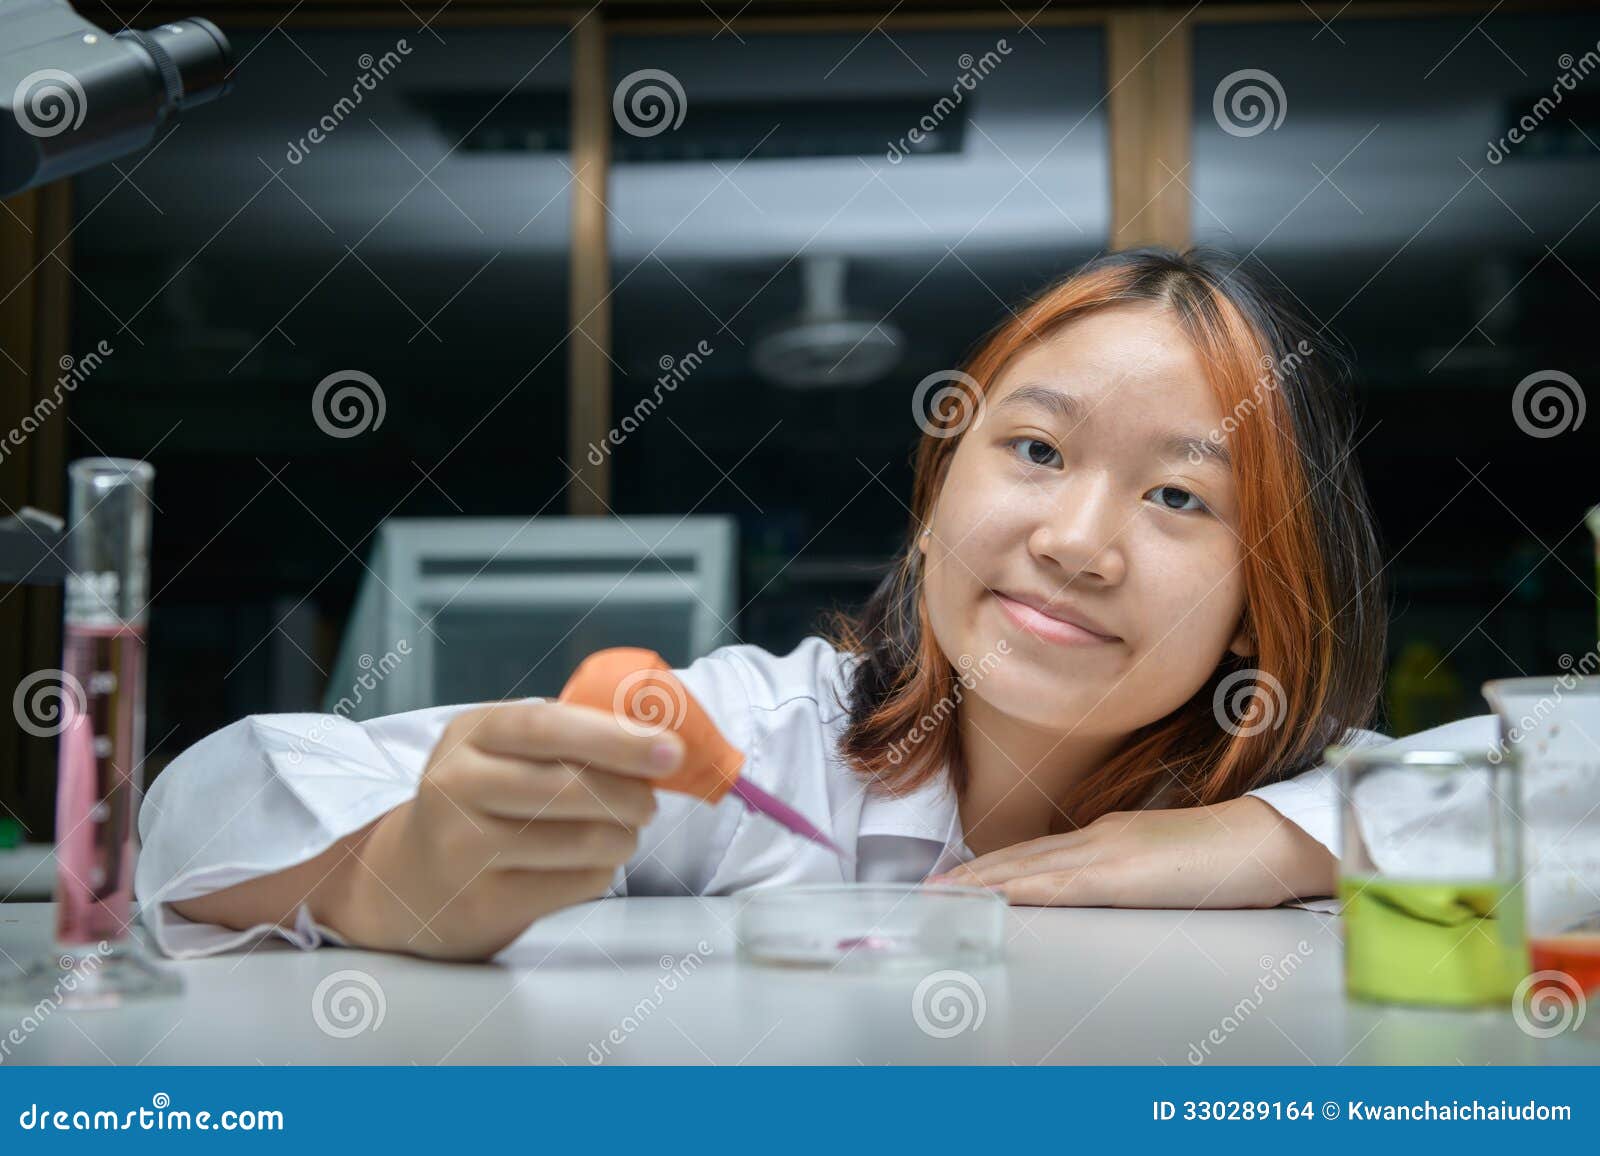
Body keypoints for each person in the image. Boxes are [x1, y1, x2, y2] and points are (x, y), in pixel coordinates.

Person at [137, 246, 1411, 963]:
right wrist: (392, 872)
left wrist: (1258, 842)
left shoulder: (1323, 801)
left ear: (1265, 599)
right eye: (1034, 451)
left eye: (1181, 498)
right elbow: (207, 800)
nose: (1076, 543)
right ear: (934, 501)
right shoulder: (772, 730)